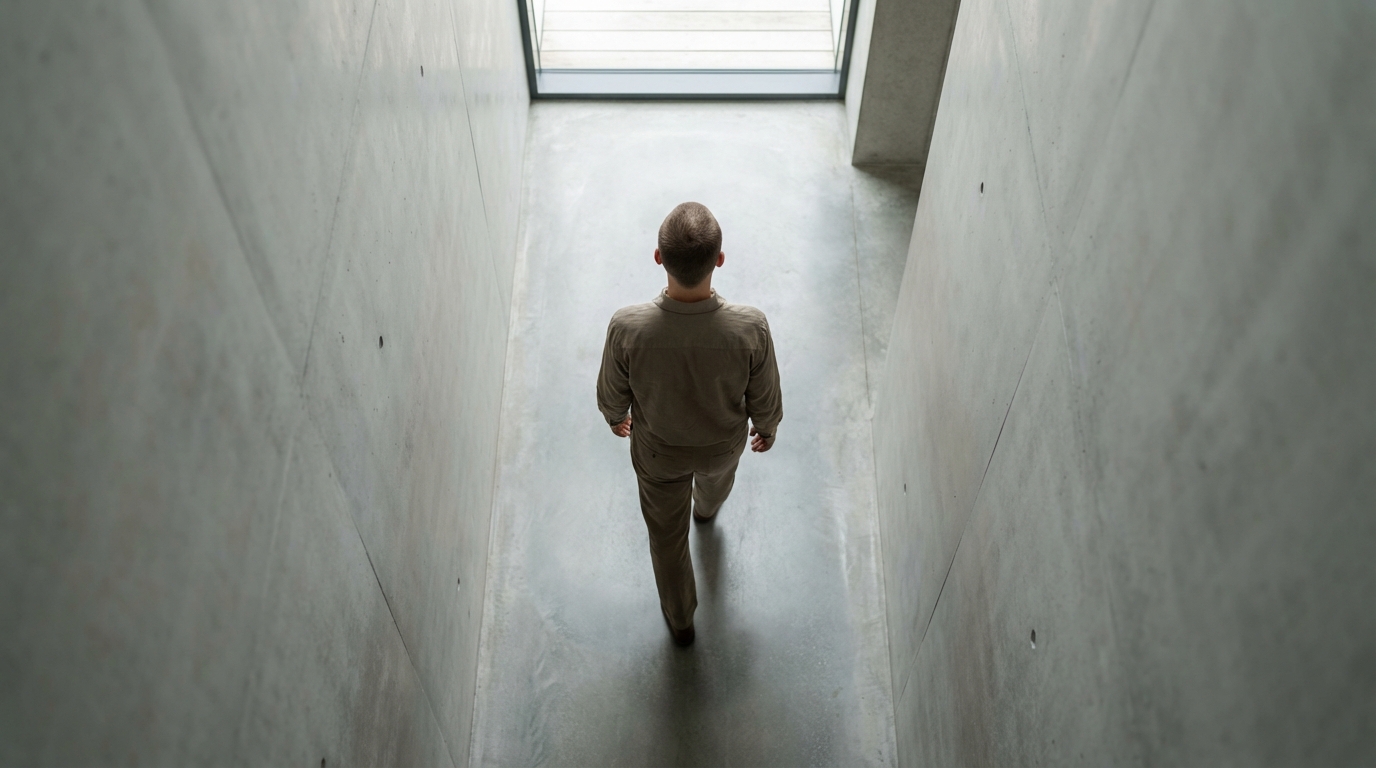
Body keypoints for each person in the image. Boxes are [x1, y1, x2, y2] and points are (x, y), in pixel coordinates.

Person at [596, 202, 783, 648]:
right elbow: (766, 395)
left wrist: (615, 417)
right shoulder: (749, 327)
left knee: (666, 539)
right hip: (722, 446)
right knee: (717, 481)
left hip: (659, 453)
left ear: (658, 257)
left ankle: (681, 619)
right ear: (719, 260)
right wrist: (768, 426)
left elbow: (611, 393)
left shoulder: (628, 327)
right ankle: (706, 510)